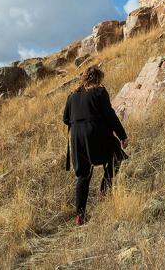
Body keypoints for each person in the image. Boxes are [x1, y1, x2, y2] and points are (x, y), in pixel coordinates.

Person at [63, 65, 128, 226]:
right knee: (117, 156)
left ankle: (80, 216)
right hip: (95, 132)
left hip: (76, 137)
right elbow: (110, 115)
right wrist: (122, 135)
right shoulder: (99, 92)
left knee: (83, 175)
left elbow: (65, 119)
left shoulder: (72, 96)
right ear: (98, 78)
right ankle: (105, 190)